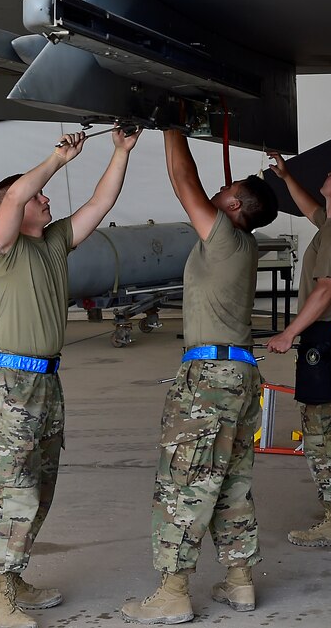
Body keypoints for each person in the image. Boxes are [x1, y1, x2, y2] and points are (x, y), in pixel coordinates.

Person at [0, 126, 139, 628]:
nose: (44, 200)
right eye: (36, 196)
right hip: (10, 384)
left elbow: (101, 203)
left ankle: (14, 574)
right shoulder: (2, 245)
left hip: (46, 383)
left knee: (41, 487)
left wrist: (120, 152)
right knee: (13, 489)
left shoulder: (52, 243)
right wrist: (58, 159)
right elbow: (21, 192)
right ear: (14, 207)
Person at [122, 130, 278, 624]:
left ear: (233, 204)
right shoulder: (243, 245)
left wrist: (172, 125)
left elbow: (181, 179)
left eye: (224, 188)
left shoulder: (225, 237)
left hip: (209, 376)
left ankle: (172, 592)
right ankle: (239, 582)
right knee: (231, 481)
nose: (215, 191)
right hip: (240, 373)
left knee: (184, 479)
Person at [265, 153, 331, 547]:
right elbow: (311, 210)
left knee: (325, 435)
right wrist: (285, 176)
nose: (325, 177)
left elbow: (325, 288)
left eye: (329, 174)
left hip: (326, 341)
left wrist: (290, 332)